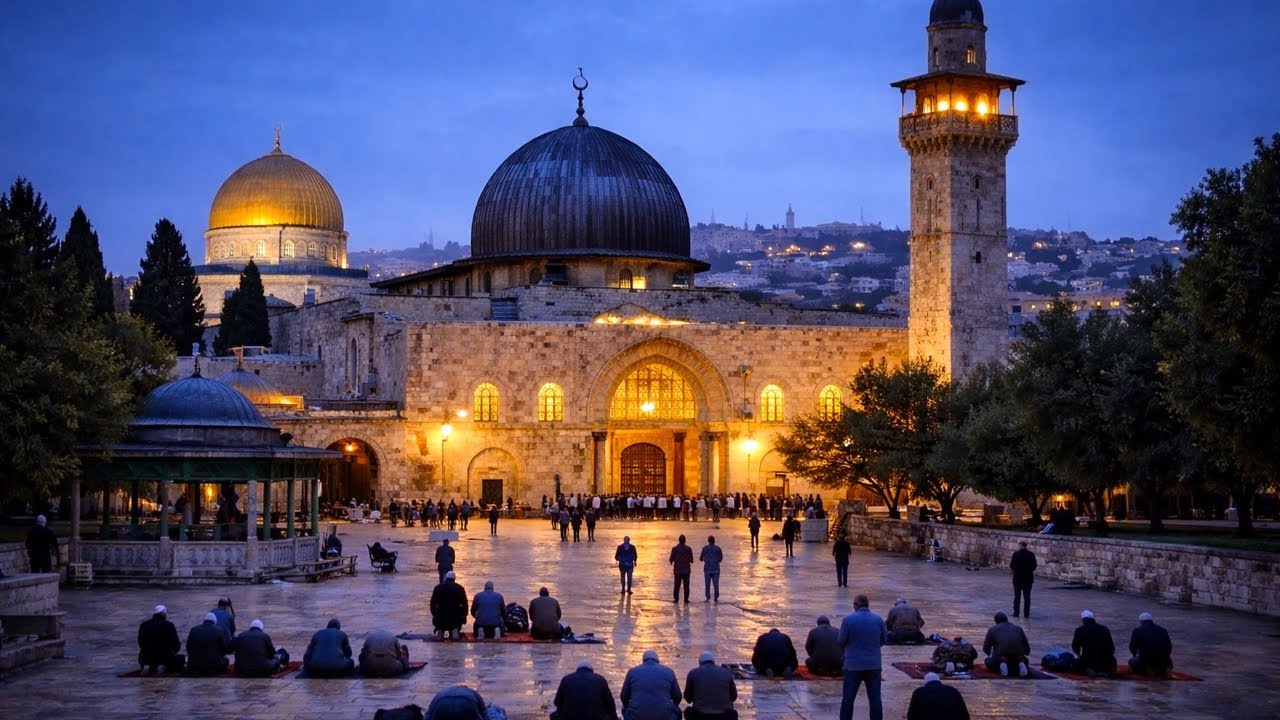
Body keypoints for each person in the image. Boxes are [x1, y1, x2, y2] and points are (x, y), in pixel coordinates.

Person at [838, 594, 887, 720]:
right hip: (874, 664)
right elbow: (884, 640)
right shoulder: (878, 620)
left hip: (853, 665)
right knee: (875, 699)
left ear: (856, 605)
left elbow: (841, 641)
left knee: (848, 699)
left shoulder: (848, 620)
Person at [620, 649, 682, 720]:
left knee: (624, 709)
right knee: (678, 712)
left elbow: (623, 697)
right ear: (657, 660)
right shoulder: (669, 672)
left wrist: (629, 706)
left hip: (636, 717)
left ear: (643, 660)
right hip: (665, 716)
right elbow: (678, 697)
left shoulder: (632, 672)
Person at [552, 660, 618, 720]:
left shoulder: (566, 679)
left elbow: (557, 702)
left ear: (577, 670)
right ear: (591, 670)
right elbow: (610, 704)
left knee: (554, 714)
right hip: (596, 718)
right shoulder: (600, 679)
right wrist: (615, 718)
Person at [683, 651, 737, 720]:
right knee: (733, 713)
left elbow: (688, 698)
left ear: (700, 663)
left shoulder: (693, 673)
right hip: (724, 716)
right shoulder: (726, 672)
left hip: (700, 715)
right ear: (713, 661)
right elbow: (733, 697)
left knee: (687, 712)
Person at [137, 604, 184, 674]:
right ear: (164, 614)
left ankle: (149, 665)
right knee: (181, 658)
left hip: (146, 657)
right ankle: (162, 665)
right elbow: (176, 643)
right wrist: (172, 653)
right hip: (164, 657)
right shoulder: (169, 625)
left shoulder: (144, 625)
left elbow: (140, 642)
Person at [982, 611, 1030, 677]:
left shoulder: (992, 629)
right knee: (1020, 660)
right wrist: (1026, 652)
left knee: (988, 662)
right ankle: (1020, 663)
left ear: (996, 621)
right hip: (1018, 656)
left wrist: (989, 654)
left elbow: (986, 647)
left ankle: (1002, 663)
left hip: (1001, 655)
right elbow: (1026, 646)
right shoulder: (1018, 628)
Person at [1070, 610, 1117, 676]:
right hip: (1106, 662)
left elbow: (1075, 647)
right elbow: (1112, 648)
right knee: (1113, 660)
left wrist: (1080, 655)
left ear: (1083, 620)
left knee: (1073, 664)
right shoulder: (1105, 629)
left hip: (1089, 661)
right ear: (1093, 619)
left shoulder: (1079, 630)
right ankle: (1107, 670)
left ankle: (1088, 669)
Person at [1128, 612, 1174, 677]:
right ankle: (1166, 668)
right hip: (1163, 661)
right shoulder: (1163, 630)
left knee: (1131, 661)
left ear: (1141, 621)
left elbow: (1132, 647)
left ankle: (1148, 668)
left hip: (1146, 660)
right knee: (1164, 657)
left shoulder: (1137, 630)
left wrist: (1134, 655)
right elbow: (1169, 647)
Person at [431, 571, 469, 640]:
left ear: (446, 578)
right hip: (455, 617)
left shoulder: (438, 588)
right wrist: (464, 616)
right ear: (454, 579)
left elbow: (432, 604)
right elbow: (465, 604)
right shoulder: (460, 588)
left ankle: (440, 630)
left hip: (441, 616)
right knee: (455, 623)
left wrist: (434, 614)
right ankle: (455, 630)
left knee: (440, 621)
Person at [425, 685, 495, 720]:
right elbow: (485, 715)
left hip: (442, 702)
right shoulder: (473, 693)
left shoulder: (440, 694)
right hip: (467, 701)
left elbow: (428, 715)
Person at [1009, 541, 1037, 618]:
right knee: (1027, 597)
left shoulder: (1016, 554)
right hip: (1028, 579)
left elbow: (1012, 565)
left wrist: (1017, 570)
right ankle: (1026, 614)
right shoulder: (1031, 554)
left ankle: (1016, 613)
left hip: (1017, 578)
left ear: (1020, 545)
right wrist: (1028, 571)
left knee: (1017, 597)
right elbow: (1034, 566)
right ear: (1026, 546)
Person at [669, 534, 694, 604]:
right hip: (686, 570)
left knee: (677, 585)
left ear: (679, 540)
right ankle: (686, 599)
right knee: (686, 586)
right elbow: (692, 560)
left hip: (677, 570)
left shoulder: (674, 549)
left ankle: (676, 598)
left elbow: (671, 559)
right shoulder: (688, 549)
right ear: (685, 541)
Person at [699, 535, 723, 602]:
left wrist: (705, 559)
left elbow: (701, 558)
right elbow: (720, 559)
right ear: (714, 541)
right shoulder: (718, 548)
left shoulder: (705, 548)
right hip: (716, 569)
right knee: (716, 584)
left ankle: (708, 597)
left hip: (707, 569)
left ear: (708, 541)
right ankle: (716, 597)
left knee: (707, 584)